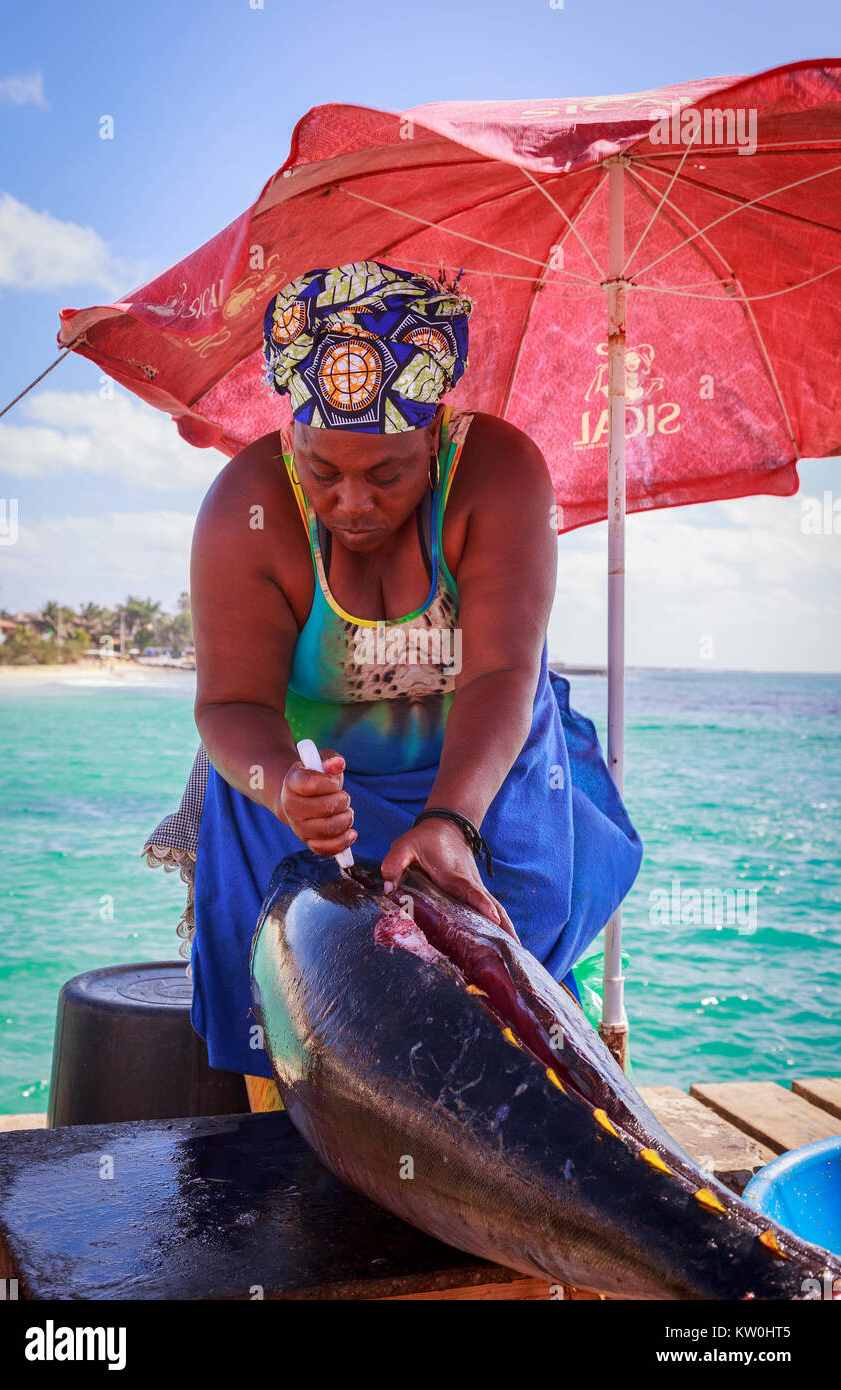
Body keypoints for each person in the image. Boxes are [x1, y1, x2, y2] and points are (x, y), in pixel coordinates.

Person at [143, 259, 642, 1114]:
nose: (350, 503)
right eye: (321, 467)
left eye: (387, 474)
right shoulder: (247, 508)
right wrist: (283, 787)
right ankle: (301, 1156)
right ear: (290, 434)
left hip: (483, 767)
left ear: (437, 432)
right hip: (301, 780)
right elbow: (230, 705)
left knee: (500, 999)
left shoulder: (498, 476)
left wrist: (451, 821)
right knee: (291, 1001)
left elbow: (501, 672)